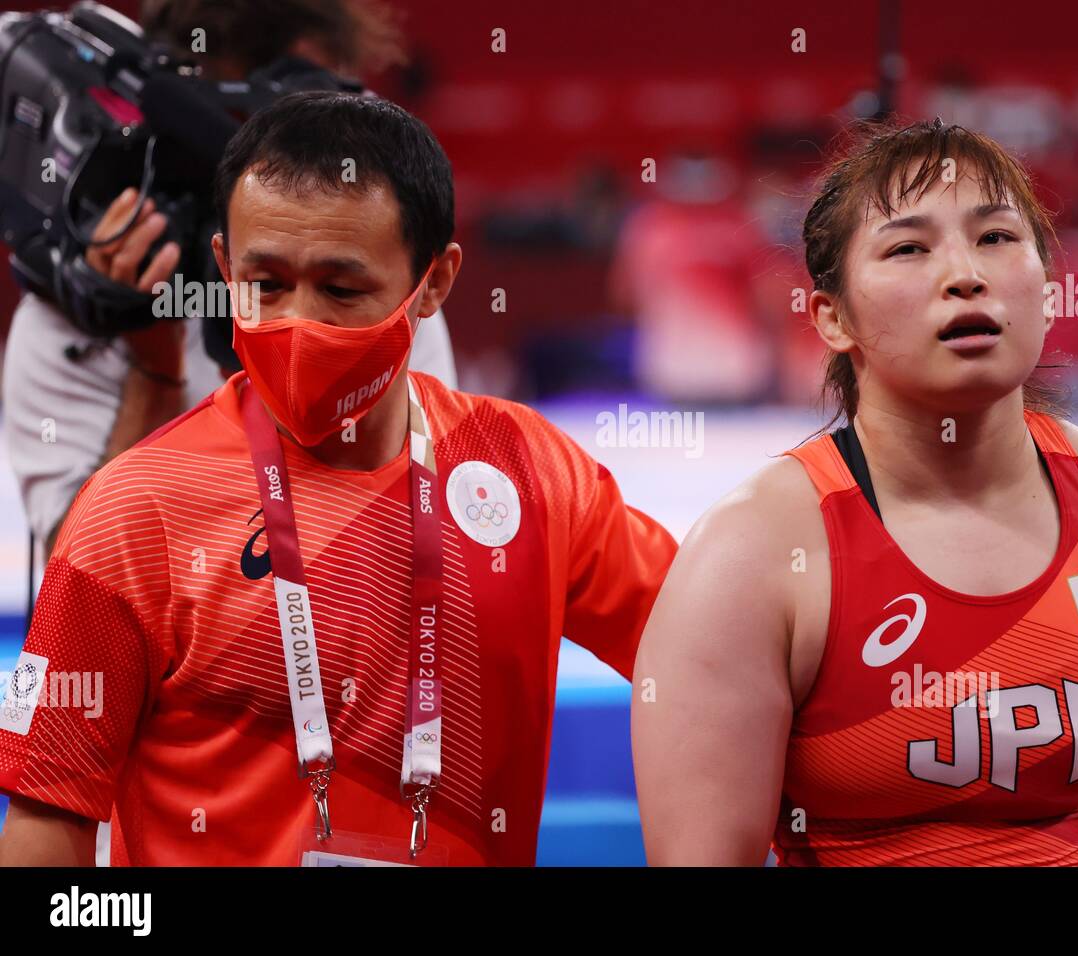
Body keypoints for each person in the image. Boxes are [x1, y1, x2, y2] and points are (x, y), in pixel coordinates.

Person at [0, 91, 676, 866]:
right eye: (265, 285)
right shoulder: (130, 509)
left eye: (341, 289)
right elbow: (44, 825)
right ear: (222, 268)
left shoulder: (535, 472)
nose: (299, 324)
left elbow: (719, 657)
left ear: (435, 281)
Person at [631, 120, 1078, 866]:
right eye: (910, 248)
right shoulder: (751, 555)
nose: (965, 274)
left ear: (1048, 292)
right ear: (833, 318)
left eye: (996, 238)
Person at [2, 0, 457, 571]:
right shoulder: (69, 313)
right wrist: (153, 362)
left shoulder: (380, 294)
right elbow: (84, 577)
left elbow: (404, 541)